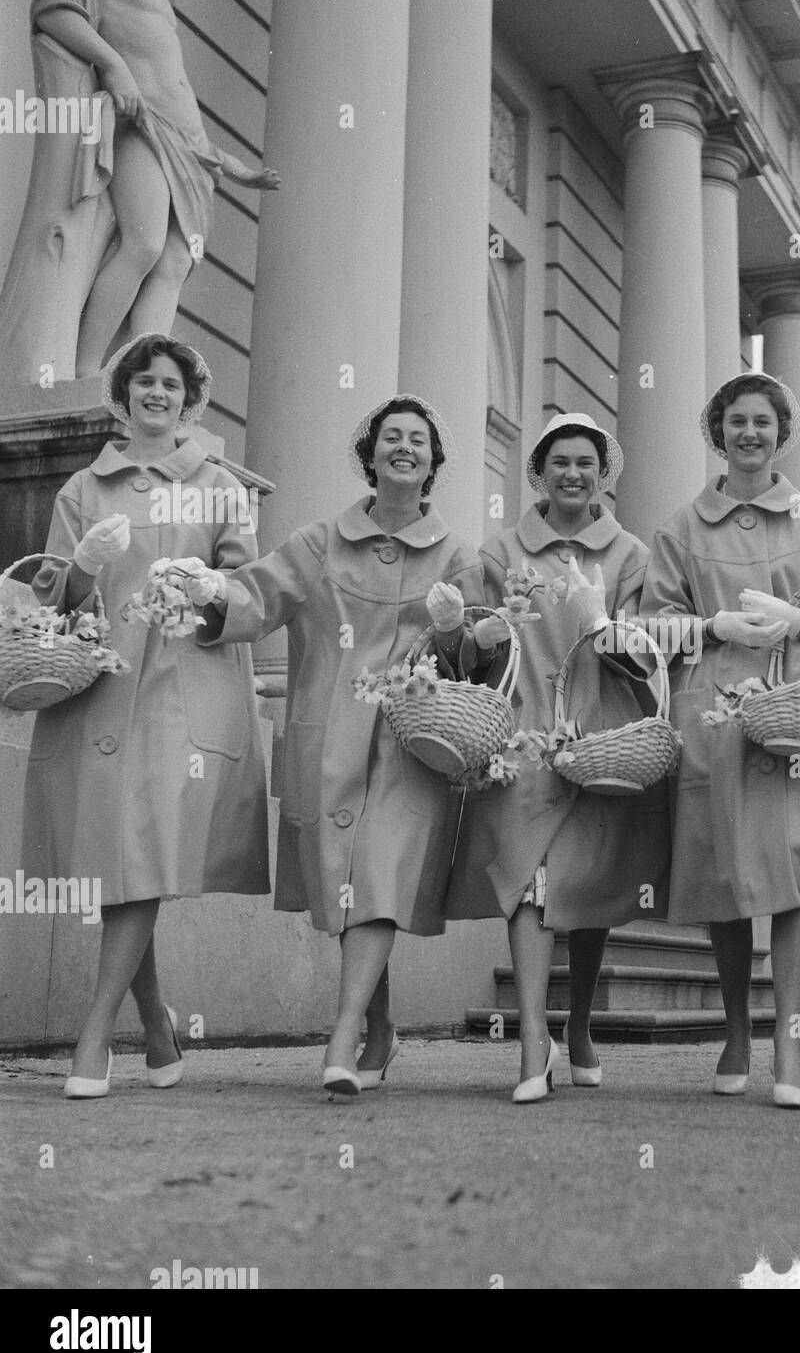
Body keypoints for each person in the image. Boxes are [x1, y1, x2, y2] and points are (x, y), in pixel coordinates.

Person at [183, 395, 492, 1099]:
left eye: (418, 439)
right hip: (328, 740)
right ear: (371, 454)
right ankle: (380, 1025)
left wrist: (457, 632)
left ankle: (342, 1034)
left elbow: (475, 661)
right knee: (348, 892)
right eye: (392, 437)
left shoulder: (458, 555)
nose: (404, 447)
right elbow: (258, 597)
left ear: (434, 462)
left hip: (413, 747)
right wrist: (209, 590)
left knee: (379, 878)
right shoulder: (321, 540)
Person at [21, 332, 269, 1098]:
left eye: (170, 384)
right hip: (98, 686)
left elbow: (252, 595)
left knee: (142, 851)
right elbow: (49, 600)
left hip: (180, 690)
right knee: (120, 860)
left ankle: (94, 1037)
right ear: (123, 395)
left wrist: (209, 585)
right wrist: (83, 567)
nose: (157, 393)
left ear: (189, 400)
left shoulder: (220, 486)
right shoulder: (82, 489)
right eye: (144, 382)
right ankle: (156, 1024)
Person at [639, 374, 800, 1109]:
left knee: (795, 866)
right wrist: (712, 625)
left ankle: (788, 1040)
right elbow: (652, 624)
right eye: (737, 421)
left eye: (762, 422)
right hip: (713, 708)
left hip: (797, 708)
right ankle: (734, 1033)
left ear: (781, 434)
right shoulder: (681, 528)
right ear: (717, 433)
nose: (749, 433)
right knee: (724, 875)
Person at [446, 413, 670, 1102]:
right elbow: (466, 652)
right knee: (529, 883)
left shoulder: (630, 554)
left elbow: (649, 649)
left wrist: (610, 626)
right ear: (538, 473)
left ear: (602, 474)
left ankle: (578, 1023)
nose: (572, 473)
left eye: (585, 463)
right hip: (521, 738)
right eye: (559, 462)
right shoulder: (500, 550)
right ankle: (533, 1042)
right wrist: (475, 635)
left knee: (587, 886)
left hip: (599, 736)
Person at [0, 0, 280, 381]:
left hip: (189, 147)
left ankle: (144, 371)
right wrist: (112, 64)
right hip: (142, 125)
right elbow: (51, 8)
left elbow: (173, 81)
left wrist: (234, 167)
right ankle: (87, 367)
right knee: (144, 243)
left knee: (175, 261)